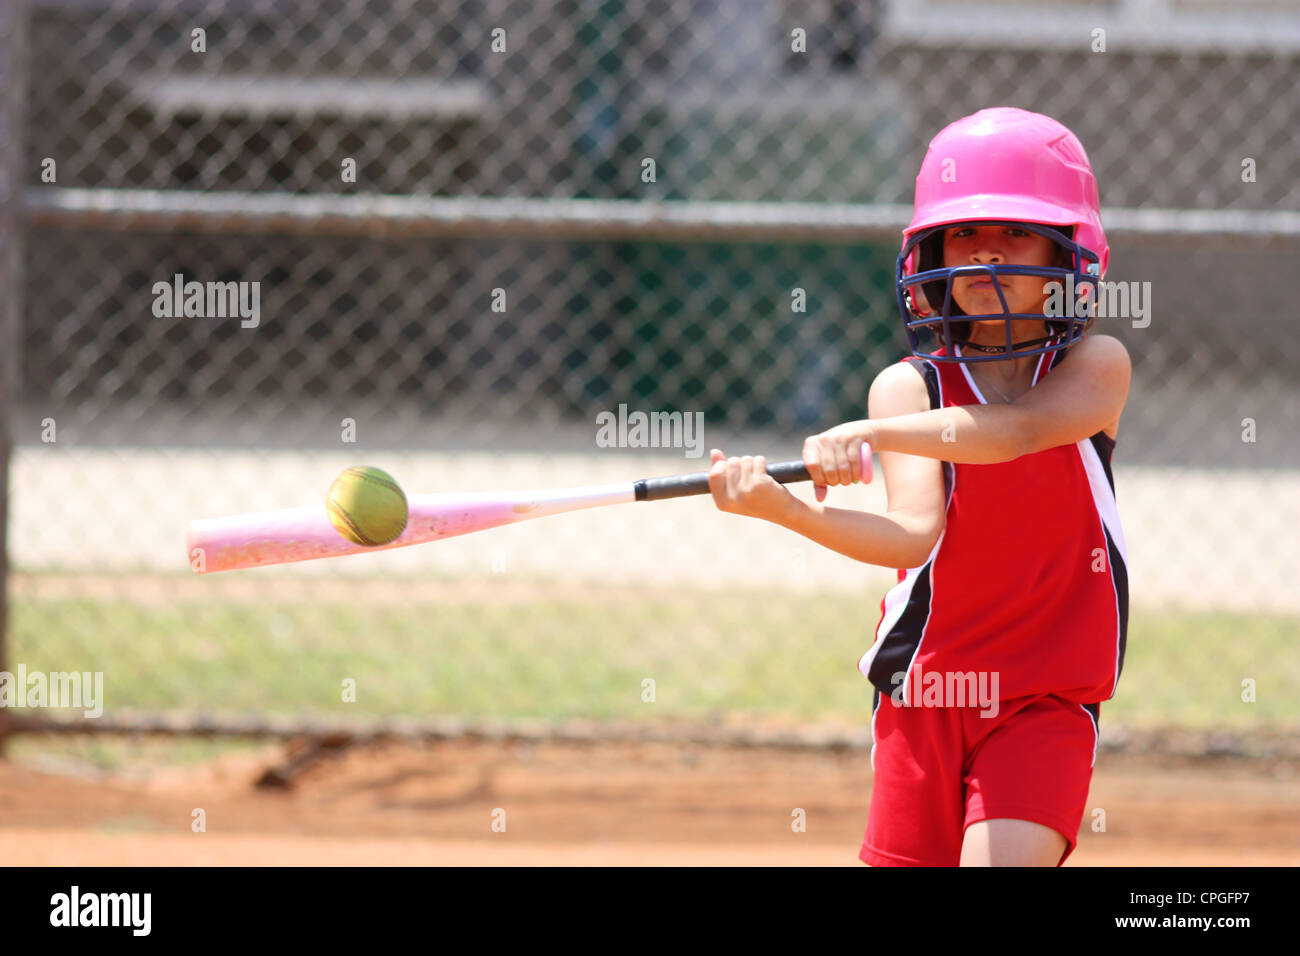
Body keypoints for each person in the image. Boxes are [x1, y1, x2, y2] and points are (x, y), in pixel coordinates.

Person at [706, 107, 1130, 866]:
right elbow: (910, 535)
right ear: (930, 251)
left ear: (1068, 255)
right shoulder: (906, 389)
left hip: (1044, 700)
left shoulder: (1093, 368)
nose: (988, 255)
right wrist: (782, 507)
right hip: (925, 697)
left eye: (1015, 232)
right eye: (965, 234)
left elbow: (1016, 432)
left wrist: (870, 436)